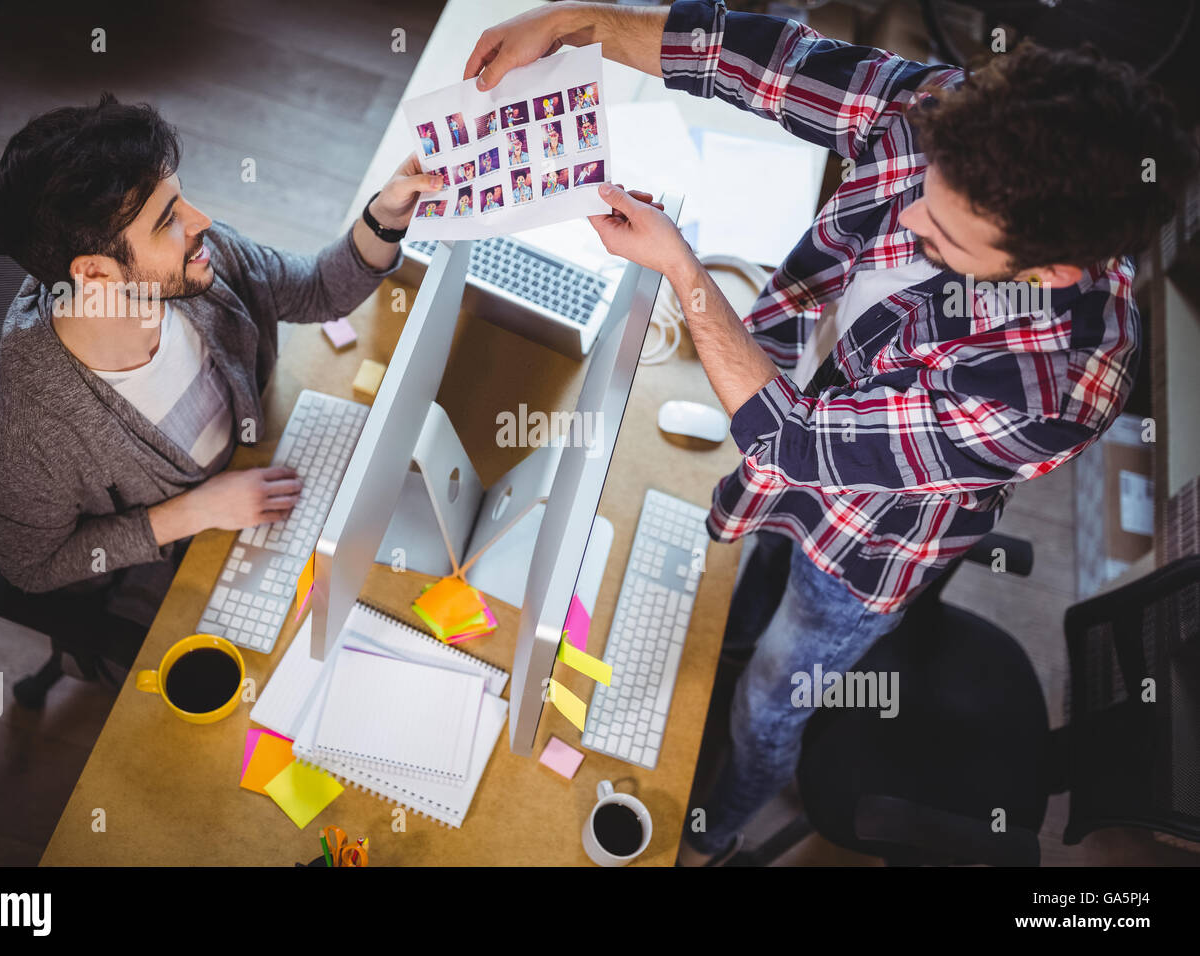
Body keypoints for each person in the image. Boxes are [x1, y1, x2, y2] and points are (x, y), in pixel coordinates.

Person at [465, 1, 1198, 865]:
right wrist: (577, 23)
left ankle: (713, 829)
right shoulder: (954, 125)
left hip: (867, 542)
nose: (910, 224)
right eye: (923, 191)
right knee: (741, 583)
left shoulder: (1056, 384)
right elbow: (759, 61)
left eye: (944, 236)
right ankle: (724, 647)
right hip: (798, 420)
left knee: (770, 697)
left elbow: (794, 444)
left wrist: (680, 269)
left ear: (1047, 272)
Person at [0, 93, 437, 629]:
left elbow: (315, 290)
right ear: (95, 275)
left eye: (180, 198)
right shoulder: (20, 434)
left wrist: (385, 217)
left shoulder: (195, 267)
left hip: (254, 464)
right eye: (168, 220)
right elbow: (32, 566)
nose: (202, 221)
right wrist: (196, 512)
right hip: (174, 552)